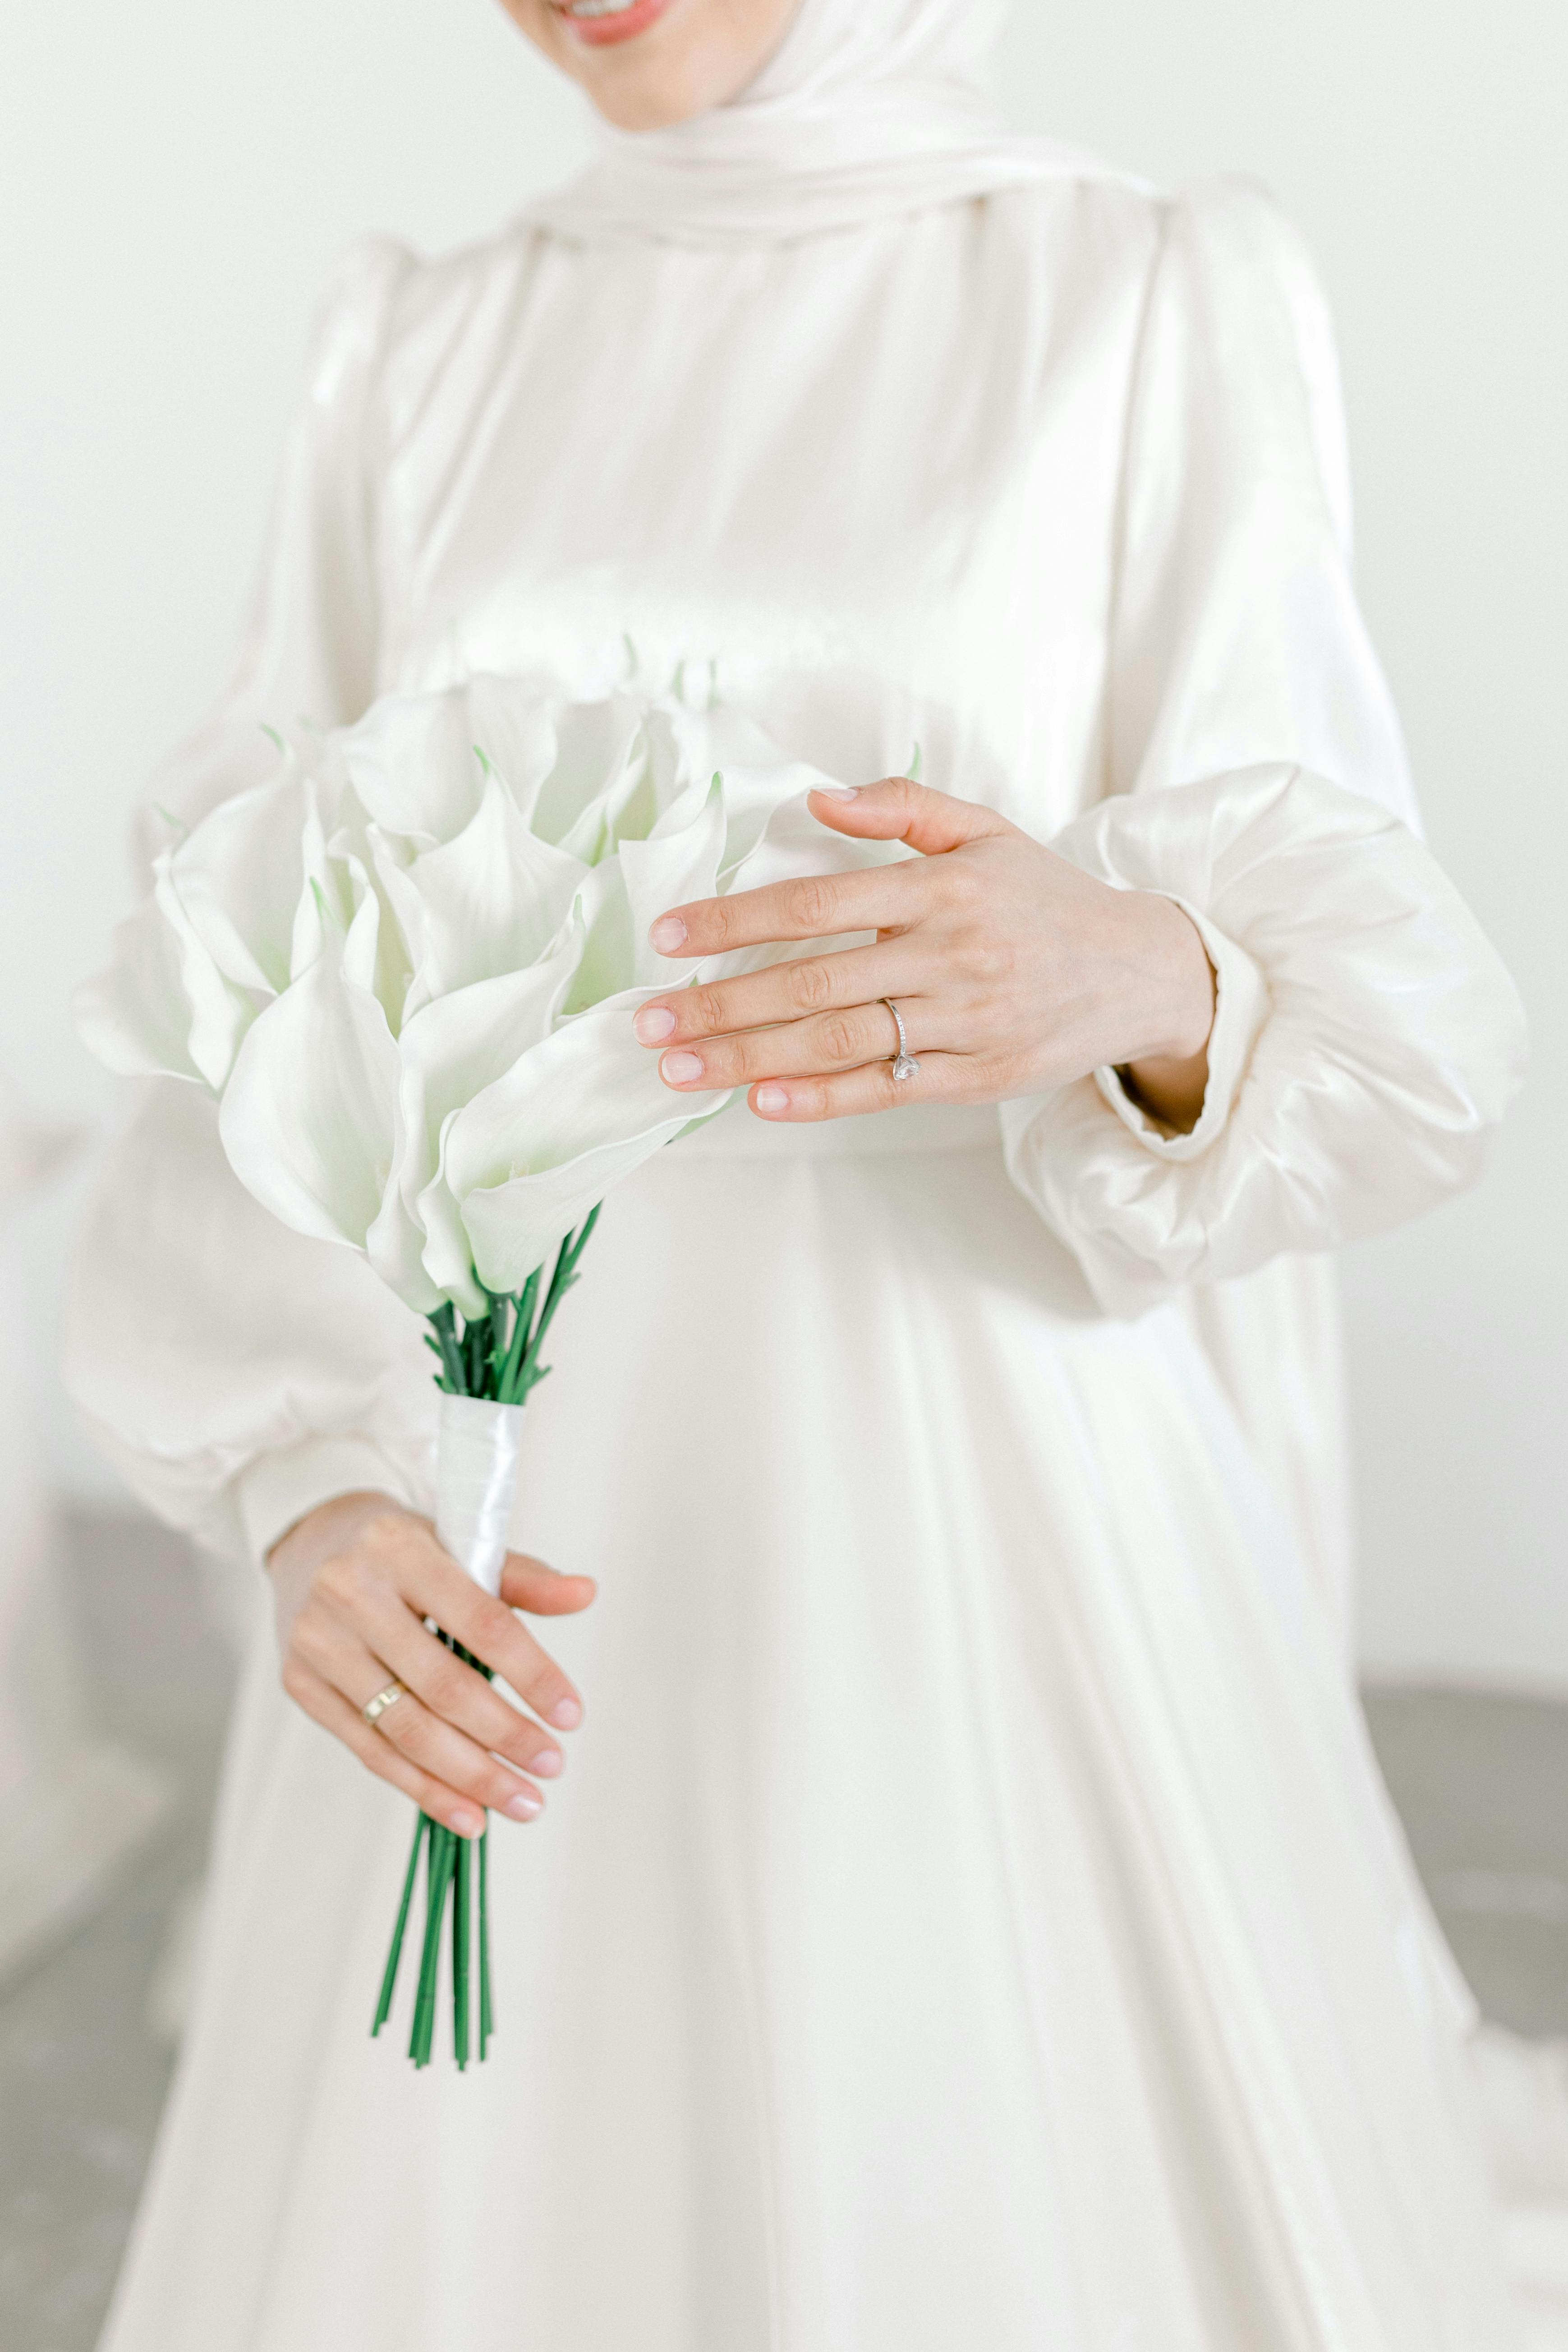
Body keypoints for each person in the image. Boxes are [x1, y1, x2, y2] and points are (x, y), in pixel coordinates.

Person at [67, 2, 1542, 2345]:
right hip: (501, 1497)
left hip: (987, 1494)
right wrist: (297, 1488)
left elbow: (1395, 1003)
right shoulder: (426, 341)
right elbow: (248, 976)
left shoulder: (1136, 287)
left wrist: (1130, 968)